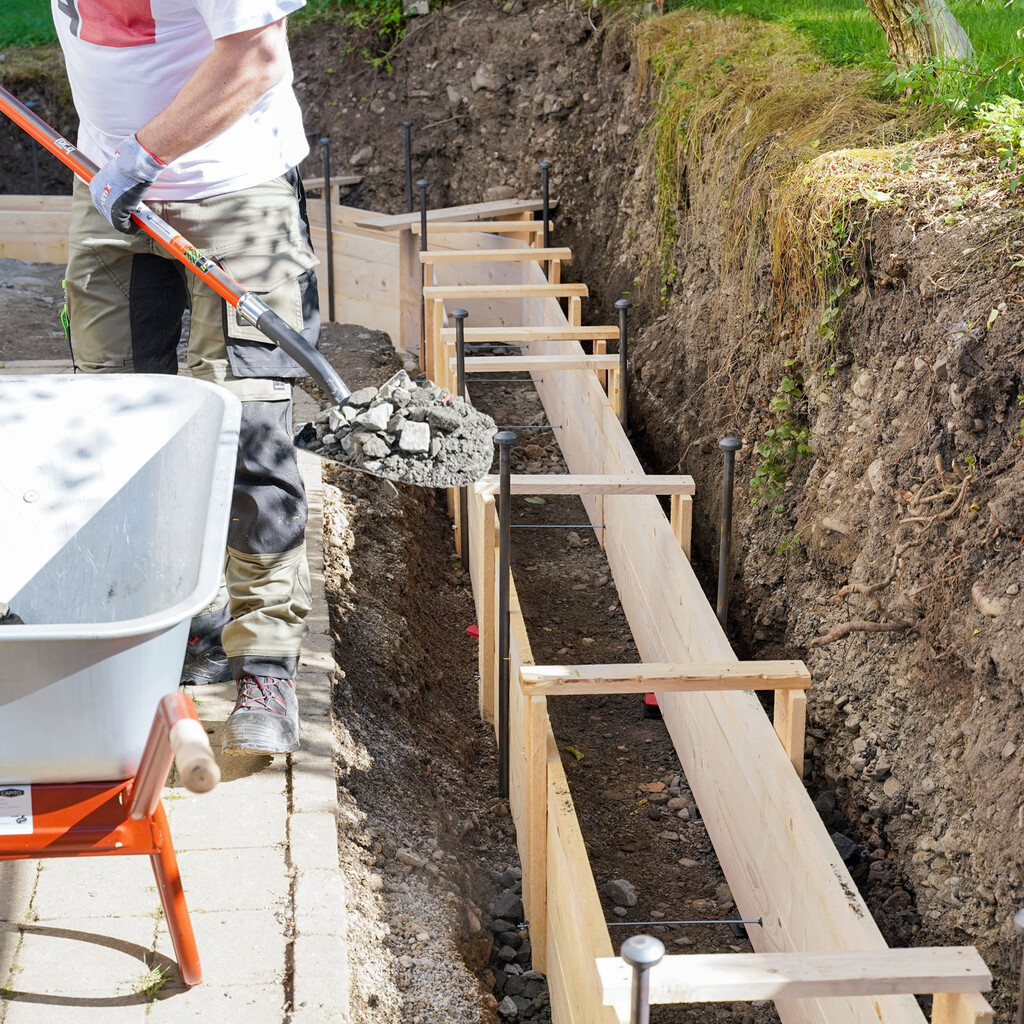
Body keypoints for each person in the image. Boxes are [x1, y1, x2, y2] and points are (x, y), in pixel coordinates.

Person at [52, 0, 321, 756]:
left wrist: (142, 156)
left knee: (248, 432)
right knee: (111, 432)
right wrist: (120, 166)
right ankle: (165, 628)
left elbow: (258, 56)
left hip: (233, 193)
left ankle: (265, 661)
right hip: (106, 183)